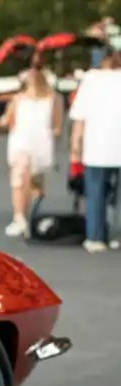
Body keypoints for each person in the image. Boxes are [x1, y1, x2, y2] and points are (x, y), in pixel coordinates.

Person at [0, 65, 63, 238]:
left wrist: (4, 120)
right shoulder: (53, 99)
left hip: (21, 141)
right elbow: (57, 126)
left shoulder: (18, 99)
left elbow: (7, 120)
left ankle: (20, 217)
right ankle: (31, 214)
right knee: (35, 182)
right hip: (42, 144)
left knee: (19, 181)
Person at [68, 51, 121, 252]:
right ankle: (116, 234)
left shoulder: (91, 80)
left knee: (96, 193)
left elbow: (80, 117)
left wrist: (75, 147)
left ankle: (96, 237)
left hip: (98, 146)